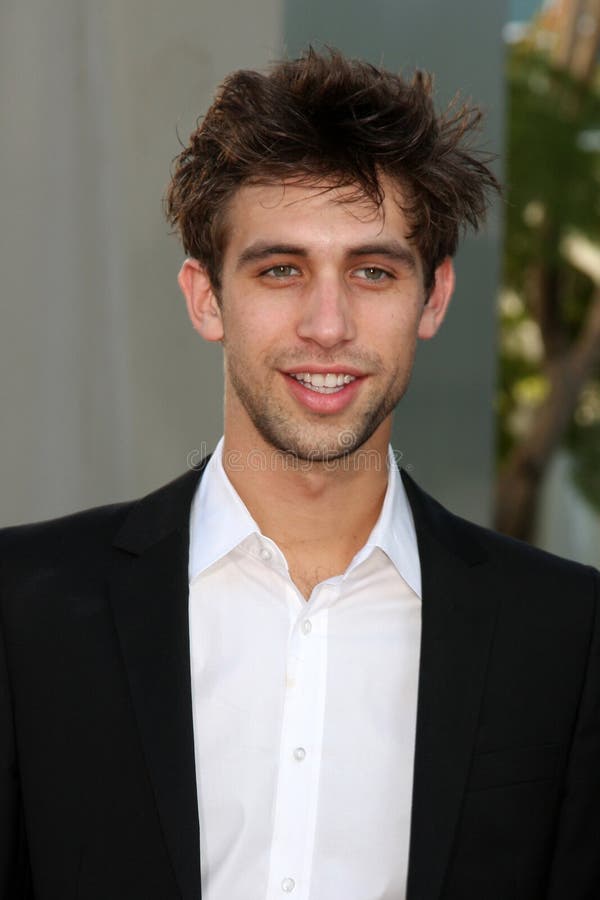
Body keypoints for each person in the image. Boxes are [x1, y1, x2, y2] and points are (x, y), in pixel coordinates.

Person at [1, 47, 599, 900]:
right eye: (281, 269)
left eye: (373, 271)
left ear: (433, 299)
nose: (327, 324)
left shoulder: (566, 635)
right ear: (206, 297)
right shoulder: (24, 609)